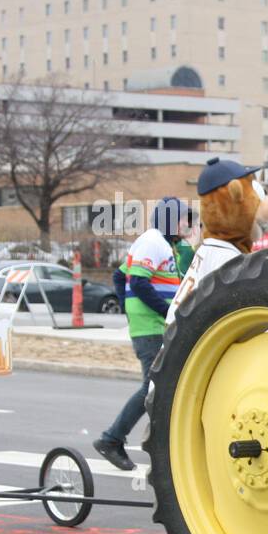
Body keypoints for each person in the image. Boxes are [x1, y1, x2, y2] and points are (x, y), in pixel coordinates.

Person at [93, 197, 190, 471]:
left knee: (160, 387)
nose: (187, 223)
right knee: (152, 388)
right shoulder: (153, 241)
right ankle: (111, 439)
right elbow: (137, 280)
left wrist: (129, 308)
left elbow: (118, 275)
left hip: (152, 326)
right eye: (183, 218)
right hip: (151, 328)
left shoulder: (162, 244)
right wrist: (164, 312)